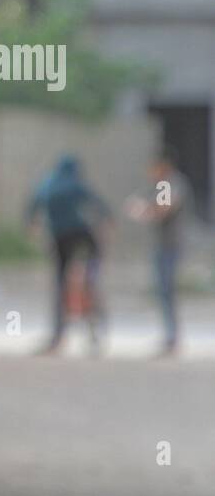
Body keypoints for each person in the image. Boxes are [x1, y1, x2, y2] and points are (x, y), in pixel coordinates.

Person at [26, 154, 111, 355]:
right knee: (89, 285)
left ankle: (57, 336)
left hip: (59, 239)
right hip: (82, 238)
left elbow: (32, 206)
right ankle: (94, 334)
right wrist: (108, 221)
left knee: (60, 286)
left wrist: (31, 224)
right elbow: (97, 203)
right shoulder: (75, 184)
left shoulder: (47, 184)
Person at [126, 150, 189, 357]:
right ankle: (170, 337)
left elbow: (165, 207)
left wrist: (143, 210)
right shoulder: (162, 184)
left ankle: (171, 338)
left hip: (169, 245)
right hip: (163, 245)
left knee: (166, 291)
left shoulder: (169, 183)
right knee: (163, 291)